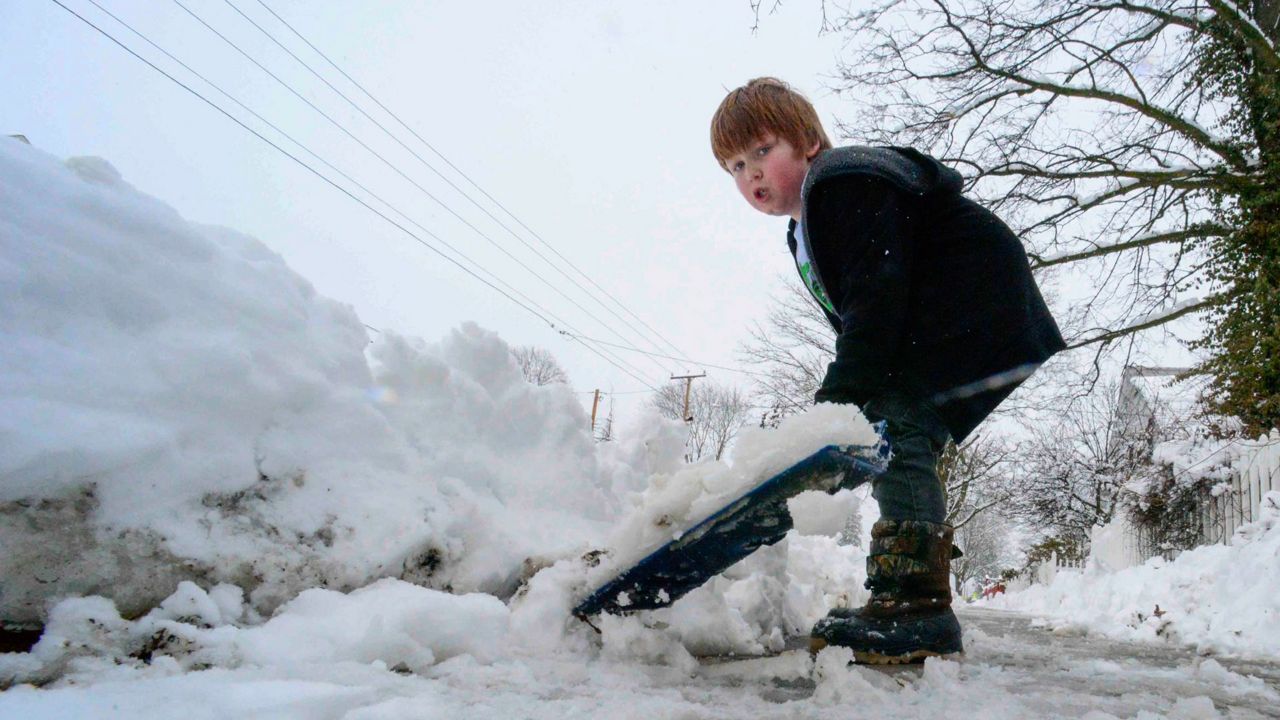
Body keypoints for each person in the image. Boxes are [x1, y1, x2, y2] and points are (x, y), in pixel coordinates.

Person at [710, 77, 1065, 664]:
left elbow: (876, 298)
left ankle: (916, 607)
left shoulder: (841, 184)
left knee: (898, 427)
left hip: (971, 304)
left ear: (808, 143)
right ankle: (908, 596)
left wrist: (840, 398)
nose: (751, 175)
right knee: (892, 423)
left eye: (763, 151)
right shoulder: (807, 227)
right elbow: (862, 315)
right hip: (962, 322)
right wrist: (853, 402)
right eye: (735, 166)